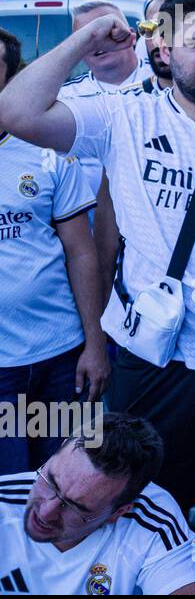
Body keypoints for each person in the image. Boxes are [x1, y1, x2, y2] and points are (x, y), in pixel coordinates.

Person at [0, 0, 195, 595]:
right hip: (150, 361)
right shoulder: (122, 116)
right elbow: (16, 112)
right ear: (162, 47)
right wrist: (89, 34)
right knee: (145, 510)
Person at [0, 29, 107, 474]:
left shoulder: (43, 152)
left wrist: (96, 345)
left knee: (69, 480)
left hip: (62, 359)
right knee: (8, 491)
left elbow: (81, 253)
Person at [1, 413, 195, 595]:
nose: (46, 511)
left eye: (75, 506)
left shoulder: (153, 517)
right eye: (50, 481)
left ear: (118, 512)